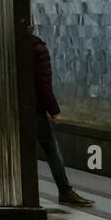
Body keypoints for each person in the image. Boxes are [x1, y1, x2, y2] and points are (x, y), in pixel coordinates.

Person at [26, 23, 93, 207]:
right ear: (30, 26)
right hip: (35, 110)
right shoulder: (37, 47)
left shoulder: (10, 46)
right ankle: (64, 190)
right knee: (50, 148)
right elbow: (44, 84)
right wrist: (54, 111)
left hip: (15, 108)